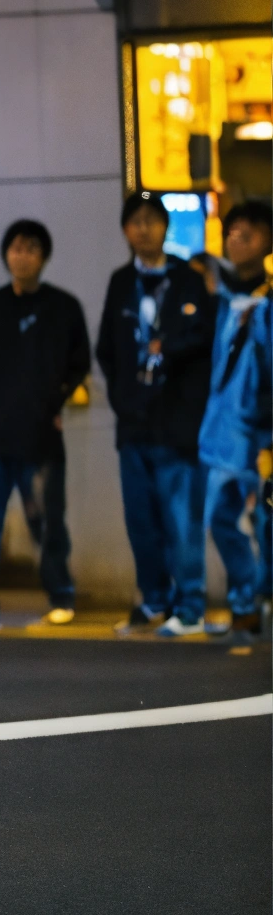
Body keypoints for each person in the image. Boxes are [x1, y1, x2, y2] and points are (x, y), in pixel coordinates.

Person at [0, 219, 93, 633]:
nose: (22, 255)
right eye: (15, 248)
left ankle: (60, 596)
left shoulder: (64, 307)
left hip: (40, 437)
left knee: (49, 524)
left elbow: (80, 362)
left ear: (44, 256)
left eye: (32, 248)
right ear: (5, 255)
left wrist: (55, 401)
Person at [96, 193, 217, 637]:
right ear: (125, 230)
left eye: (152, 220)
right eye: (135, 221)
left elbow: (203, 341)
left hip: (177, 423)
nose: (143, 229)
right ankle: (153, 602)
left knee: (181, 520)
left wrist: (167, 351)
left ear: (165, 228)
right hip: (134, 423)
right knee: (140, 520)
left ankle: (189, 607)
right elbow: (106, 349)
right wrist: (123, 397)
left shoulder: (188, 279)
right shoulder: (120, 281)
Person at [198, 201, 273, 642]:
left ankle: (256, 601)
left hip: (260, 433)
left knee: (266, 522)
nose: (237, 238)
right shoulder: (221, 299)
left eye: (249, 232)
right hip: (221, 432)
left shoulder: (266, 301)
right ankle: (246, 600)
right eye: (233, 231)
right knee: (222, 518)